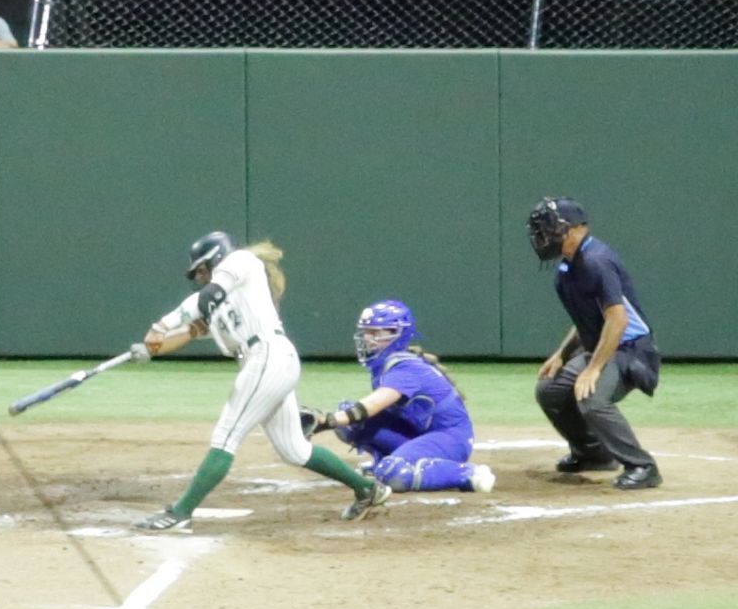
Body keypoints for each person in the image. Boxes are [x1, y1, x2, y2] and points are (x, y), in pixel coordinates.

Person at [132, 232, 391, 532]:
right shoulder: (211, 300)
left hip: (267, 356)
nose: (200, 276)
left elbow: (206, 298)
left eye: (203, 268)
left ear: (218, 257)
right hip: (265, 363)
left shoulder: (241, 262)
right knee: (294, 449)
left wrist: (160, 328)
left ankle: (181, 512)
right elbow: (183, 329)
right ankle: (367, 489)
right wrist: (151, 346)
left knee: (226, 436)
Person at [528, 196, 663, 490]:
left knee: (591, 398)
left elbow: (617, 321)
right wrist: (562, 355)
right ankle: (593, 454)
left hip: (632, 352)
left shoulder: (596, 262)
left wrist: (592, 369)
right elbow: (586, 319)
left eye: (550, 228)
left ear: (576, 229)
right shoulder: (568, 268)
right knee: (550, 389)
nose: (544, 237)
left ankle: (643, 466)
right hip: (604, 347)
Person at [307, 299, 495, 494]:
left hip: (449, 439)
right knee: (350, 422)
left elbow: (373, 405)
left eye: (375, 333)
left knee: (393, 473)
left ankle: (467, 474)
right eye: (366, 332)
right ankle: (385, 461)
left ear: (397, 335)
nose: (367, 338)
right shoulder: (384, 364)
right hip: (419, 433)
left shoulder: (405, 366)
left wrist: (328, 421)